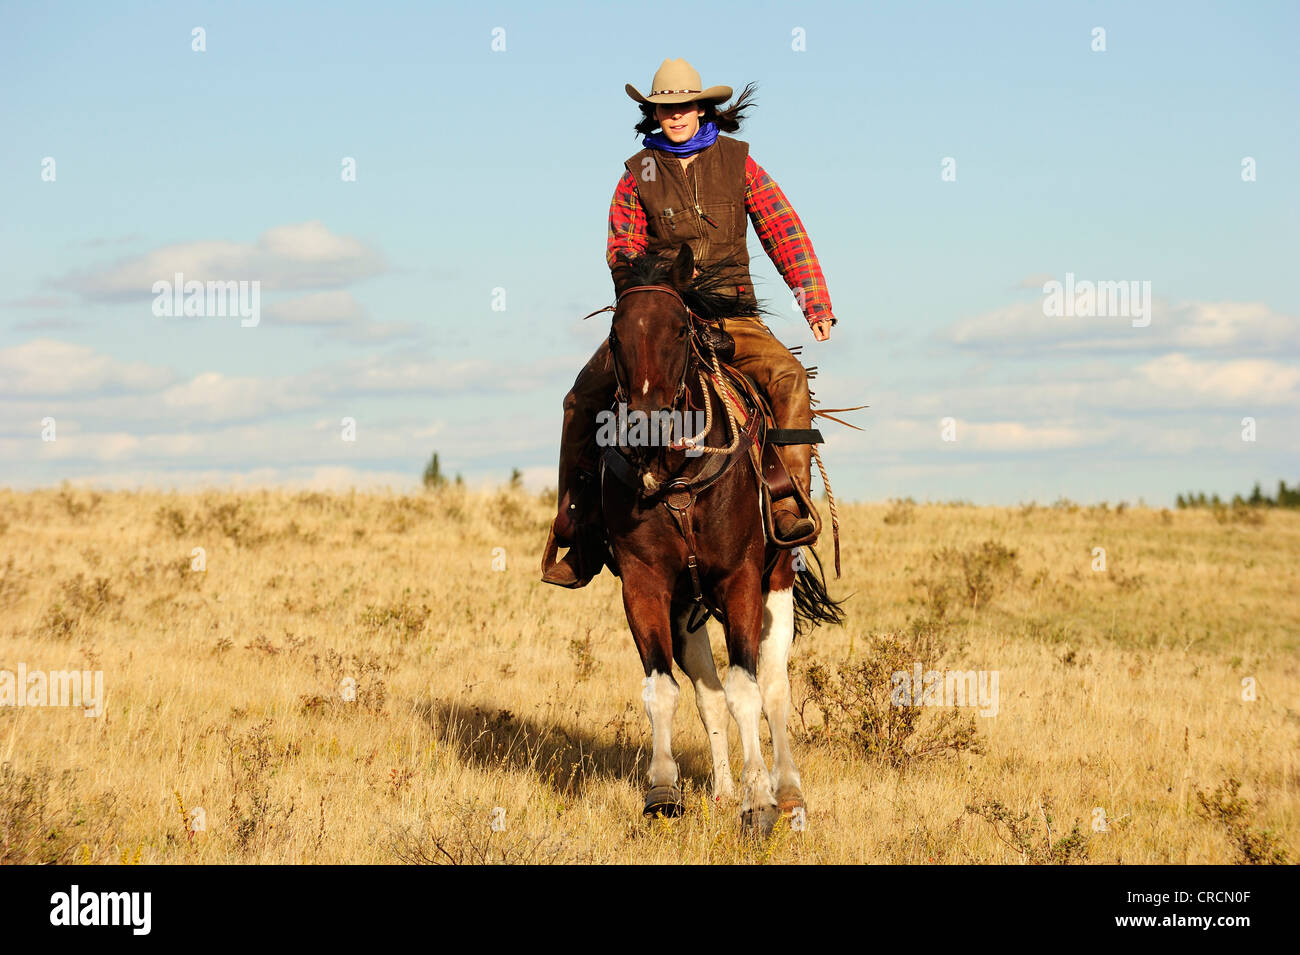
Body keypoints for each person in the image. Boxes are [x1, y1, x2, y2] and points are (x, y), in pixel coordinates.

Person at [542, 57, 838, 588]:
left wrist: (813, 302)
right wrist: (648, 303)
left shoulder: (737, 163)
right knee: (581, 399)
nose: (675, 116)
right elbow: (622, 251)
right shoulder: (638, 173)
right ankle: (580, 524)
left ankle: (788, 502)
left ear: (702, 107)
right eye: (665, 108)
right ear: (653, 113)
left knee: (789, 378)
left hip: (732, 314)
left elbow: (783, 229)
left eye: (683, 106)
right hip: (658, 320)